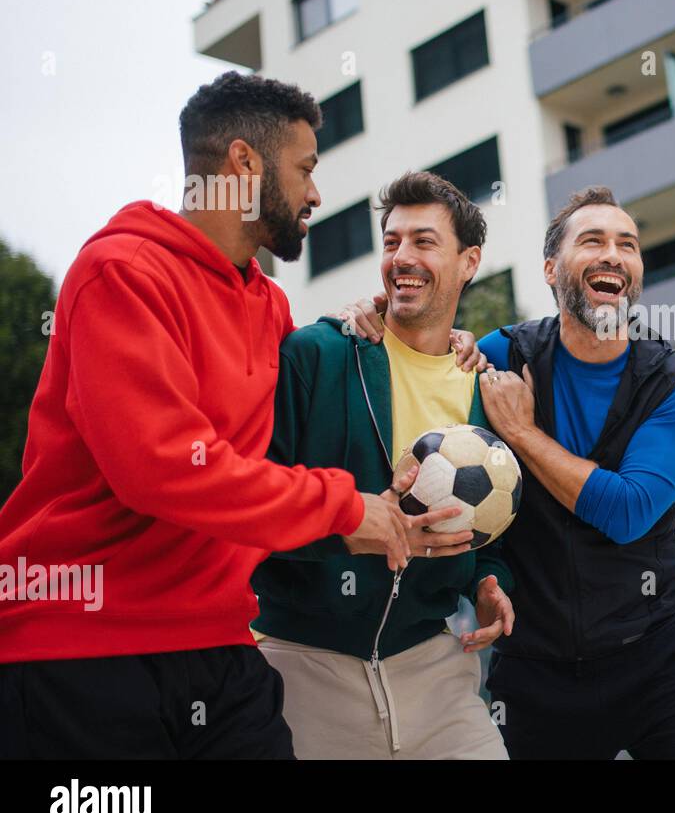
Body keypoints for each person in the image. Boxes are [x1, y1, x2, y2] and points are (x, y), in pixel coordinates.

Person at [0, 72, 473, 759]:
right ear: (245, 164)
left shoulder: (269, 306)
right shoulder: (121, 272)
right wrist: (346, 508)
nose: (314, 193)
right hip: (81, 651)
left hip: (219, 652)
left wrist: (423, 339)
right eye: (305, 168)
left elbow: (273, 464)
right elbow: (161, 466)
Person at [342, 186, 675, 759]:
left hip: (657, 660)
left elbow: (626, 511)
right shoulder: (501, 355)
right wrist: (366, 313)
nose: (613, 254)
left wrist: (524, 433)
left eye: (627, 245)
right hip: (533, 673)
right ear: (552, 268)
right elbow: (425, 350)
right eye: (593, 241)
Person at [252, 171, 515, 759]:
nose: (402, 257)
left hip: (436, 668)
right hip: (303, 668)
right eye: (392, 242)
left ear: (469, 262)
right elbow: (251, 508)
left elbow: (484, 530)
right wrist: (352, 530)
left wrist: (489, 582)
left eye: (424, 241)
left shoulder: (485, 390)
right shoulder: (316, 355)